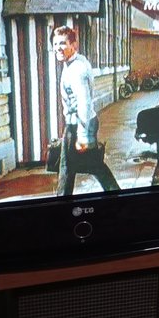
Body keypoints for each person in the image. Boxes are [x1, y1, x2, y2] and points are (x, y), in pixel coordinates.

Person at [51, 25, 120, 196]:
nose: (58, 48)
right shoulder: (76, 61)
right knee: (93, 165)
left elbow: (84, 101)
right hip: (83, 122)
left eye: (63, 43)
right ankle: (116, 194)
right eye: (55, 44)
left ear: (73, 45)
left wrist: (83, 136)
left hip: (79, 125)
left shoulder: (76, 69)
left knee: (67, 167)